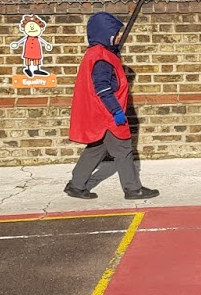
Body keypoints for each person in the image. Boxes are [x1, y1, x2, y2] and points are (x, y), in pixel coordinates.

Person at [65, 12, 159, 200]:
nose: (118, 37)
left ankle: (76, 184)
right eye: (115, 33)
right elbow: (102, 88)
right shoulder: (102, 59)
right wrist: (116, 111)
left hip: (99, 114)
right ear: (105, 33)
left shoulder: (96, 54)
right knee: (123, 149)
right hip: (106, 114)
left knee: (97, 147)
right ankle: (133, 189)